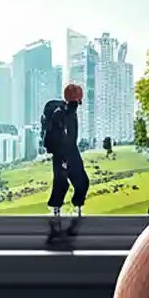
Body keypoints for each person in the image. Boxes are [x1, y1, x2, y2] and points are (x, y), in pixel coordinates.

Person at [46, 83, 90, 216]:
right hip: (61, 152)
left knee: (82, 181)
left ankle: (77, 207)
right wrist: (63, 157)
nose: (77, 104)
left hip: (71, 150)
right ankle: (56, 209)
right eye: (77, 101)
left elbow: (71, 136)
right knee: (61, 182)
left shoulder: (71, 113)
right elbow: (57, 136)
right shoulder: (60, 114)